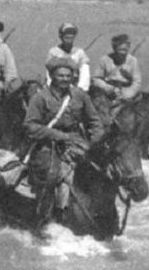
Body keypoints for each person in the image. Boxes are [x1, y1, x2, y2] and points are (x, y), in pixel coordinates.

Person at [24, 57, 104, 222]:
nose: (65, 79)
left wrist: (94, 141)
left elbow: (95, 121)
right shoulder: (40, 97)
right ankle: (45, 218)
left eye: (68, 76)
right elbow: (30, 126)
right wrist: (60, 136)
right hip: (47, 145)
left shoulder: (79, 96)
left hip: (77, 142)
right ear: (52, 75)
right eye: (61, 75)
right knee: (51, 175)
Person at [92, 34, 142, 102]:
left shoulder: (133, 61)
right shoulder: (104, 59)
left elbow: (137, 82)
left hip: (126, 92)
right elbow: (96, 78)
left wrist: (127, 94)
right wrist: (107, 87)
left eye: (125, 49)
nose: (123, 53)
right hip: (107, 91)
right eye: (120, 49)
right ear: (114, 48)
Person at [45, 23, 90, 91]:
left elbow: (85, 71)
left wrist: (81, 88)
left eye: (71, 38)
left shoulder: (80, 53)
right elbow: (49, 73)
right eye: (66, 38)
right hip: (57, 86)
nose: (69, 40)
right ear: (61, 37)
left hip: (75, 86)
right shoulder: (53, 52)